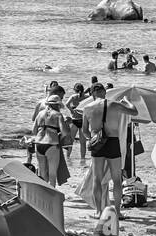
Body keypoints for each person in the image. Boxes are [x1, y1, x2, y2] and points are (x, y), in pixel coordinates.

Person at [78, 84, 138, 218]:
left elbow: (85, 131)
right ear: (105, 93)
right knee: (116, 179)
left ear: (92, 94)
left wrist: (94, 138)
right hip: (112, 142)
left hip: (97, 144)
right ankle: (117, 212)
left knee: (96, 179)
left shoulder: (87, 108)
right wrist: (127, 101)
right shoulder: (114, 104)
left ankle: (99, 211)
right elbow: (134, 112)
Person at [31, 95, 70, 187]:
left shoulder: (40, 114)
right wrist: (60, 137)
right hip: (51, 144)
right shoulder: (58, 115)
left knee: (42, 173)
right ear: (57, 105)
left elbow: (34, 131)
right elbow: (64, 132)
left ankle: (43, 194)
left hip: (39, 144)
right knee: (52, 174)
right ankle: (52, 195)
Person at [66, 83, 90, 162]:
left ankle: (68, 158)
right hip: (83, 120)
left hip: (74, 120)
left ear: (75, 90)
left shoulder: (73, 97)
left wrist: (72, 111)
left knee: (70, 141)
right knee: (83, 142)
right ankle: (82, 159)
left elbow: (67, 104)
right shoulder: (87, 97)